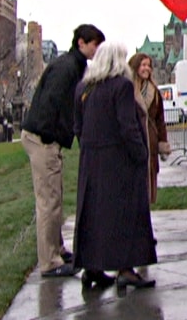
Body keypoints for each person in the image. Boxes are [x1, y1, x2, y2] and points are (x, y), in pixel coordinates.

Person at [20, 24, 104, 278]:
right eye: (94, 44)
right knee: (49, 202)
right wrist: (50, 136)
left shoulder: (73, 66)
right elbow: (51, 102)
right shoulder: (67, 68)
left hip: (47, 138)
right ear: (81, 42)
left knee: (54, 198)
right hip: (43, 139)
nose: (96, 49)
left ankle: (57, 249)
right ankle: (50, 261)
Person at [72, 42, 156, 290]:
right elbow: (127, 126)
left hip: (91, 160)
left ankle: (92, 265)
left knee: (93, 215)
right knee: (124, 215)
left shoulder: (83, 88)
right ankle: (125, 267)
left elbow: (78, 125)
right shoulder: (121, 87)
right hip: (119, 161)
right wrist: (140, 154)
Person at [129, 52, 171, 204]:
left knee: (149, 182)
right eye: (143, 65)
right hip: (134, 141)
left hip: (150, 142)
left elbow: (160, 120)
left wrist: (163, 143)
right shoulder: (127, 90)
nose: (147, 69)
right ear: (135, 67)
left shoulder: (154, 91)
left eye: (149, 65)